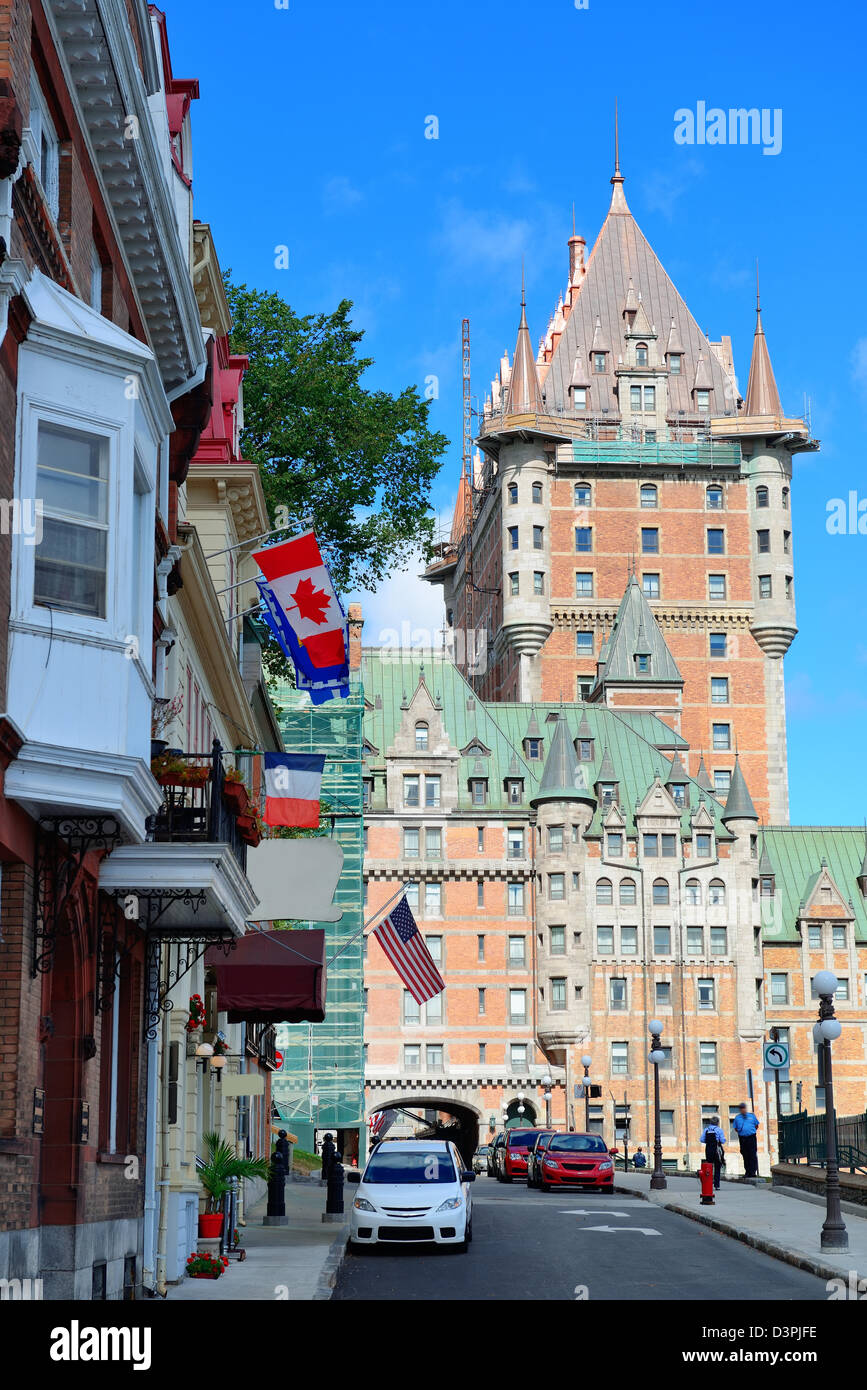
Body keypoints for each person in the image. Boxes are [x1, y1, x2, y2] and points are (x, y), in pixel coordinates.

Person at [732, 1103, 760, 1177]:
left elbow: (756, 1125)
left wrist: (750, 1131)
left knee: (752, 1154)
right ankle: (747, 1172)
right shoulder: (737, 1118)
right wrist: (743, 1133)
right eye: (741, 1108)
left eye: (744, 1108)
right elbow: (735, 1128)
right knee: (745, 1154)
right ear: (740, 1110)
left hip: (751, 1137)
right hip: (743, 1138)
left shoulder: (752, 1116)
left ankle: (753, 1172)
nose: (743, 1110)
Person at [700, 1115, 726, 1190]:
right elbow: (723, 1141)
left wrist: (708, 1142)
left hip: (708, 1149)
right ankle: (717, 1185)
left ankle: (709, 1183)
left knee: (709, 1167)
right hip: (717, 1149)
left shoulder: (706, 1130)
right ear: (717, 1123)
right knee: (717, 1167)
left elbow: (701, 1140)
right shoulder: (719, 1130)